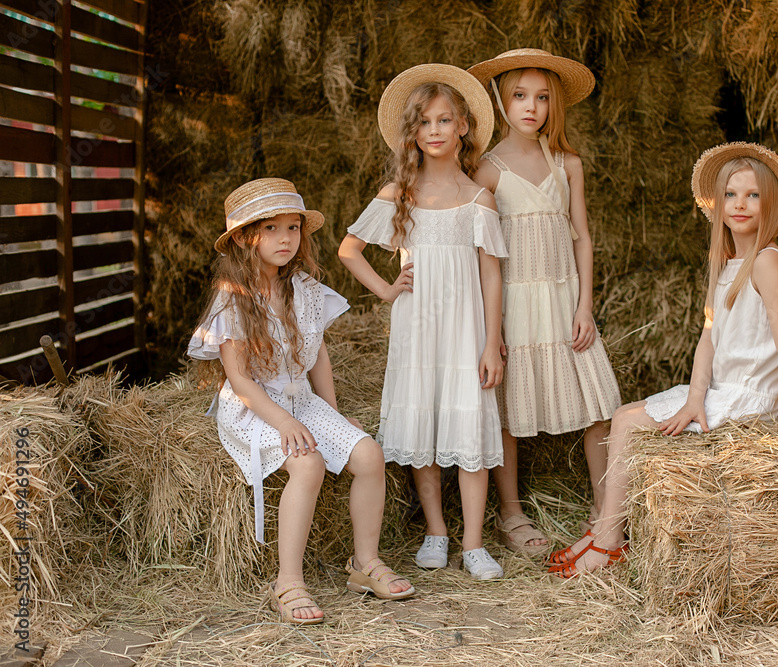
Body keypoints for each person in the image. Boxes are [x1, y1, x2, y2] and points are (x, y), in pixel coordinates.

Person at [547, 142, 778, 578]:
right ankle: (605, 532)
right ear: (718, 202)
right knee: (625, 414)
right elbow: (708, 336)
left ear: (771, 203)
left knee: (627, 423)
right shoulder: (727, 261)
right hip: (719, 391)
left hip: (748, 398)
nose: (740, 204)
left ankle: (608, 540)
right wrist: (693, 398)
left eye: (753, 195)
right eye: (730, 194)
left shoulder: (767, 262)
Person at [188, 178, 414, 624]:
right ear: (241, 238)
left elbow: (318, 356)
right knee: (307, 463)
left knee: (369, 453)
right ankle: (288, 582)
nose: (285, 239)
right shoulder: (233, 299)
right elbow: (240, 381)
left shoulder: (305, 289)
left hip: (302, 399)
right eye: (270, 228)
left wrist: (328, 410)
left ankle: (364, 564)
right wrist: (285, 424)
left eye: (293, 228)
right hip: (253, 405)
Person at [338, 64, 508, 580]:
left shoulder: (479, 199)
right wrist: (389, 291)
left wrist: (492, 342)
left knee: (469, 433)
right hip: (417, 329)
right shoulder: (400, 194)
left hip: (465, 332)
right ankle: (436, 531)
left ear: (463, 127)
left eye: (444, 120)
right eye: (424, 123)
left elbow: (492, 277)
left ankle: (474, 544)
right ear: (413, 133)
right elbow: (349, 250)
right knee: (425, 429)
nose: (434, 130)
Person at [466, 49, 621, 556]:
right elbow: (472, 242)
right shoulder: (486, 170)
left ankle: (605, 507)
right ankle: (510, 514)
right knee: (507, 412)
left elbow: (583, 238)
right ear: (500, 101)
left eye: (542, 97)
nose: (531, 106)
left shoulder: (566, 163)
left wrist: (584, 306)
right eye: (520, 95)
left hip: (562, 297)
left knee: (597, 403)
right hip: (512, 304)